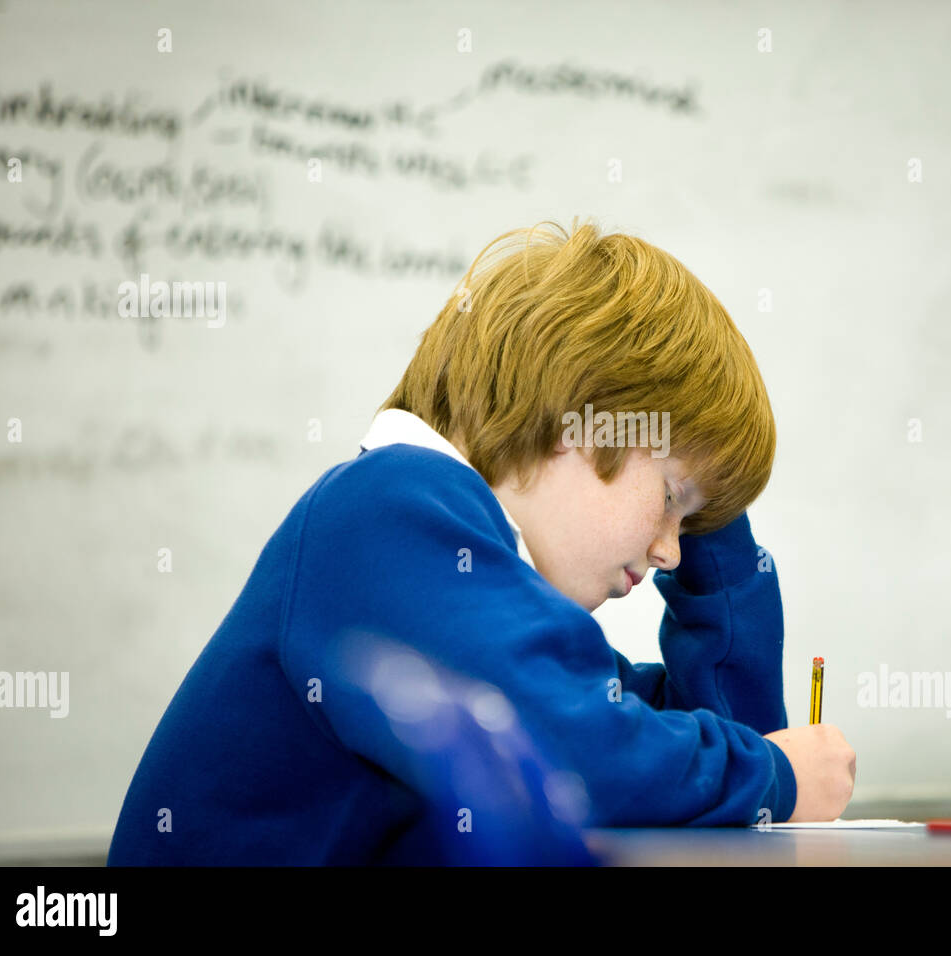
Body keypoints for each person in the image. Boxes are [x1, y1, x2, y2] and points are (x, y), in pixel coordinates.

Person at [107, 218, 855, 865]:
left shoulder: (484, 601)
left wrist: (715, 513)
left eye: (689, 528)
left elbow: (716, 743)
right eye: (668, 502)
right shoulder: (388, 507)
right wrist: (777, 777)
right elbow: (583, 754)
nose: (671, 553)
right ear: (582, 422)